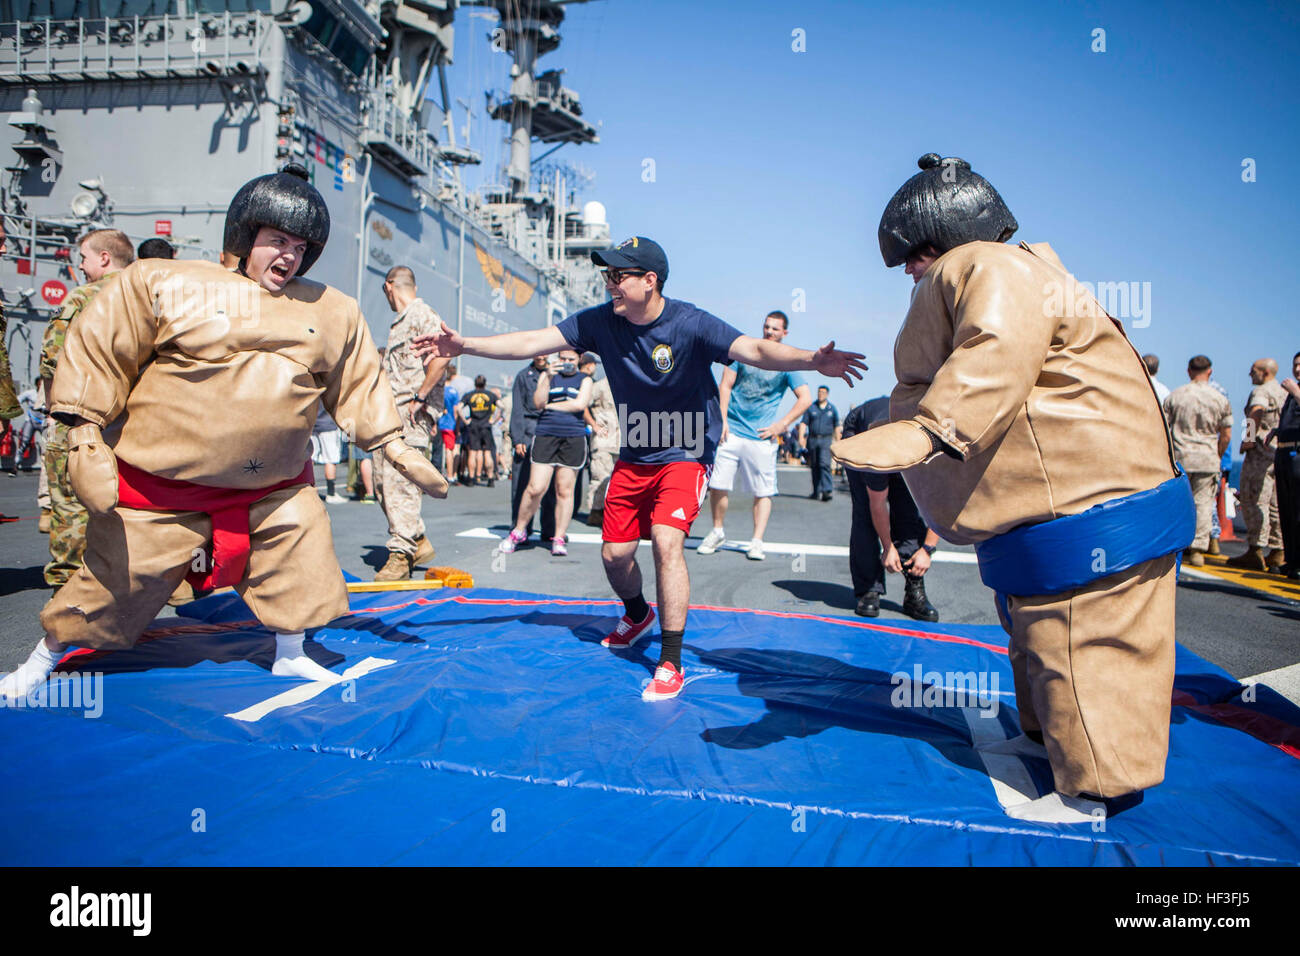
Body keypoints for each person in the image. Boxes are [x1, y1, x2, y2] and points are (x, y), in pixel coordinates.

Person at [0, 163, 448, 703]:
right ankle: (41, 660)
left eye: (301, 247)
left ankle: (291, 654)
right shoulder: (161, 282)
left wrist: (392, 444)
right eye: (276, 240)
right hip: (164, 490)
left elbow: (357, 381)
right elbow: (103, 350)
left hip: (273, 490)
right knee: (109, 588)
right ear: (244, 237)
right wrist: (85, 433)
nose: (289, 255)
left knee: (300, 562)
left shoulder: (333, 310)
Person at [834, 153, 1192, 824]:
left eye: (911, 258)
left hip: (1086, 516)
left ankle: (1103, 785)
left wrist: (928, 431)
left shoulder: (987, 267)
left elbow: (993, 351)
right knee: (1042, 643)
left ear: (933, 242)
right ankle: (1049, 740)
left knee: (1083, 650)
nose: (910, 273)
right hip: (1072, 516)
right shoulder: (1038, 271)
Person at [415, 235, 864, 701]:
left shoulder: (691, 323)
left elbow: (753, 350)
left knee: (667, 541)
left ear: (649, 282)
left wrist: (812, 359)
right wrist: (464, 344)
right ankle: (637, 613)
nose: (608, 284)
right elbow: (533, 339)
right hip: (637, 454)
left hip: (687, 451)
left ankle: (670, 660)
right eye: (606, 275)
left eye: (618, 276)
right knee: (614, 556)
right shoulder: (599, 322)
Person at [41, 228, 134, 587]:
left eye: (83, 258)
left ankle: (69, 601)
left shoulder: (83, 298)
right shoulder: (148, 299)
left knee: (72, 510)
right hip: (135, 428)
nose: (80, 266)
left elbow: (52, 358)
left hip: (82, 421)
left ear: (104, 258)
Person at [697, 310, 812, 560]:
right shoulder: (746, 352)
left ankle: (757, 540)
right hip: (733, 431)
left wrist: (781, 425)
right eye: (766, 327)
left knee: (763, 491)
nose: (769, 331)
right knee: (718, 485)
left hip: (761, 437)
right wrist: (723, 420)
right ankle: (717, 531)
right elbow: (725, 385)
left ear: (784, 333)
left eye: (774, 328)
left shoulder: (786, 363)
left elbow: (805, 398)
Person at [372, 265, 444, 580]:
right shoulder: (400, 322)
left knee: (401, 483)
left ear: (390, 286)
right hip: (392, 414)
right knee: (379, 484)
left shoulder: (421, 315)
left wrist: (421, 396)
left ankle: (401, 554)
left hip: (411, 413)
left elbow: (442, 355)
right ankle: (417, 538)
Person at [842, 396, 940, 620]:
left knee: (907, 512)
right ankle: (869, 589)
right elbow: (877, 504)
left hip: (906, 438)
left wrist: (927, 550)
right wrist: (887, 547)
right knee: (865, 512)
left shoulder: (936, 456)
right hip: (861, 431)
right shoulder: (877, 453)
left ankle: (914, 592)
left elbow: (941, 507)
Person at [500, 348, 591, 556]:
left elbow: (580, 404)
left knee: (564, 491)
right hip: (545, 435)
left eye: (571, 359)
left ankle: (558, 537)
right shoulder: (547, 375)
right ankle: (518, 531)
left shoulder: (585, 380)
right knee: (535, 487)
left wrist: (551, 406)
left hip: (573, 437)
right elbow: (538, 403)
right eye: (563, 358)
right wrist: (548, 377)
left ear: (578, 360)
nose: (566, 362)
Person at [1163, 355, 1232, 567]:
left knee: (1178, 503)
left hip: (1181, 457)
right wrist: (1217, 455)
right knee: (1203, 503)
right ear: (1209, 371)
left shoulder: (1176, 396)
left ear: (1188, 371)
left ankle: (1176, 546)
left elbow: (1163, 428)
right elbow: (1226, 434)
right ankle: (1198, 550)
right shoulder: (1219, 398)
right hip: (1207, 458)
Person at [1227, 358, 1287, 571]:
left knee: (1253, 499)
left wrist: (1249, 439)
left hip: (1260, 452)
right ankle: (1278, 550)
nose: (1250, 375)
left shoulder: (1261, 391)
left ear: (1264, 373)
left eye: (1253, 371)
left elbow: (1256, 411)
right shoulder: (1283, 391)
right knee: (1275, 503)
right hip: (1277, 452)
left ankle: (1255, 550)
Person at [508, 354, 557, 542]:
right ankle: (520, 528)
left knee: (550, 484)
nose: (541, 356)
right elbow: (518, 408)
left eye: (545, 353)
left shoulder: (555, 374)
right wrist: (517, 438)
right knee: (521, 482)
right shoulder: (523, 375)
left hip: (550, 428)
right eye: (538, 353)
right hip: (528, 430)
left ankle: (549, 529)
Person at [581, 352, 618, 526]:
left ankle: (614, 512)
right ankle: (596, 512)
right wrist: (594, 425)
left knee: (619, 479)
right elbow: (583, 405)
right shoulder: (600, 385)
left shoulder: (629, 385)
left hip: (623, 440)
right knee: (600, 476)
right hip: (603, 440)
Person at [1273, 353, 1300, 580]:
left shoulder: (1295, 392)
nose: (1298, 369)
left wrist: (1297, 392)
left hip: (1297, 455)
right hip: (1283, 452)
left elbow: (1252, 416)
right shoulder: (1291, 394)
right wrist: (1276, 431)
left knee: (1298, 512)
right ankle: (1291, 561)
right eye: (1295, 365)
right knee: (1287, 511)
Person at [799, 386, 840, 500]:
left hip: (826, 440)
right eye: (819, 392)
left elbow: (837, 425)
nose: (820, 394)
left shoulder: (832, 409)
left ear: (827, 394)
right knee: (815, 465)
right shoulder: (811, 407)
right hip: (813, 439)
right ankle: (816, 491)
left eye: (823, 392)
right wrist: (801, 437)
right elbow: (803, 423)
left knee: (824, 464)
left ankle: (827, 490)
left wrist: (838, 441)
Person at [460, 375, 499, 487]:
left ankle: (471, 478)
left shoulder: (470, 395)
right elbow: (501, 407)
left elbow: (458, 408)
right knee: (487, 452)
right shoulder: (490, 395)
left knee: (473, 452)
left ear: (475, 384)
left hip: (474, 426)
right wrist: (494, 420)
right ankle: (490, 478)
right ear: (485, 384)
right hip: (486, 426)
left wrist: (465, 420)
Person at [311, 407, 347, 504]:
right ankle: (331, 493)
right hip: (328, 425)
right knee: (331, 460)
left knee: (310, 458)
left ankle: (310, 490)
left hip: (312, 424)